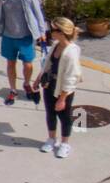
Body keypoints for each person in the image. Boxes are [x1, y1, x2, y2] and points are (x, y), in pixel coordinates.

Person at [0, 0, 45, 107]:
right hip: (8, 36)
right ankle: (13, 90)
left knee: (28, 64)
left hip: (25, 36)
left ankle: (26, 83)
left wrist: (42, 32)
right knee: (10, 64)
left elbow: (38, 14)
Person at [32, 19, 84, 158]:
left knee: (64, 116)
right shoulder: (56, 45)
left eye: (53, 30)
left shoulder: (70, 52)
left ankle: (65, 144)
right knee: (50, 113)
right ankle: (51, 139)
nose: (50, 32)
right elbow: (47, 65)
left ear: (61, 32)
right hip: (49, 85)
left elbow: (71, 78)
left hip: (63, 89)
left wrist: (62, 99)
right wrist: (38, 79)